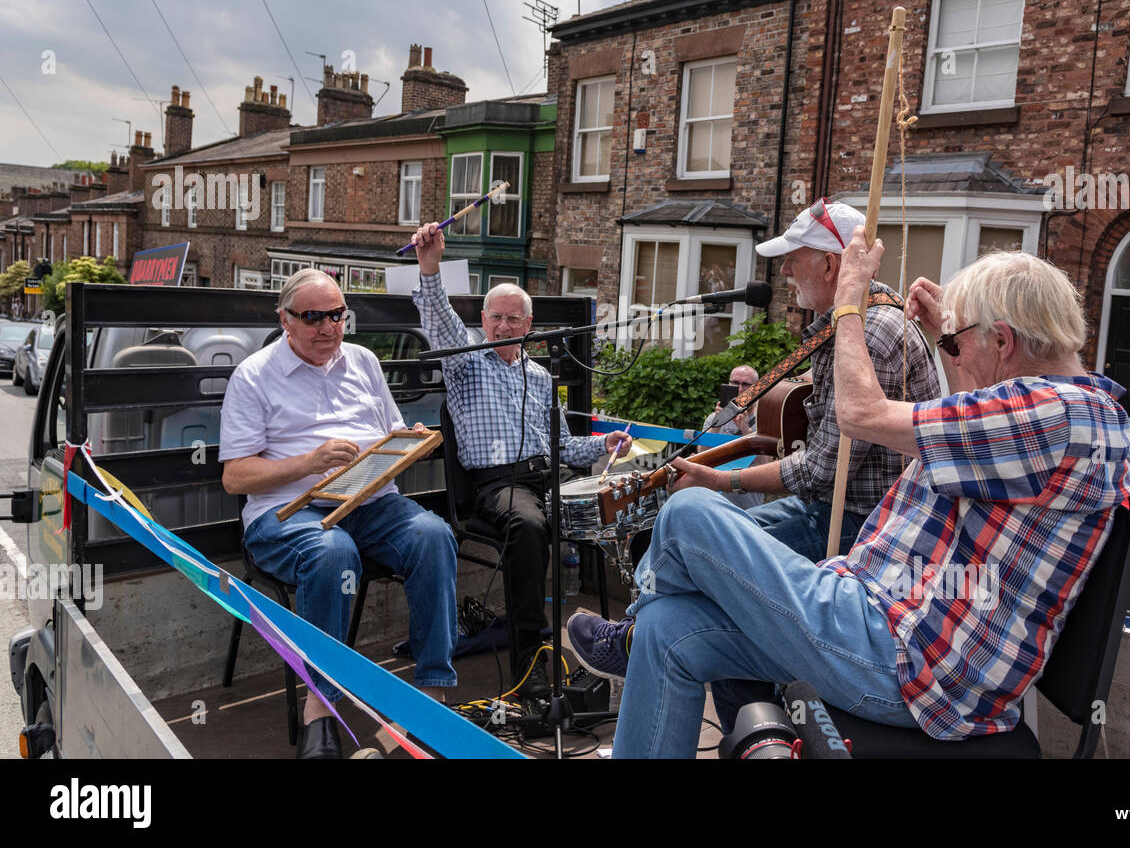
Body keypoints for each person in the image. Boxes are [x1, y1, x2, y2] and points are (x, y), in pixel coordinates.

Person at [568, 239, 1130, 758]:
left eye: (959, 343)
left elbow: (860, 415)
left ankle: (631, 629)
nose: (952, 355)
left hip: (909, 666)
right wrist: (951, 338)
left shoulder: (1055, 417)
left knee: (688, 515)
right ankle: (644, 629)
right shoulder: (1058, 419)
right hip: (883, 628)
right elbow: (977, 403)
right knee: (673, 631)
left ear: (1005, 341)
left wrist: (848, 307)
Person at [220, 268, 459, 759]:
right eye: (314, 317)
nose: (329, 327)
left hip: (370, 501)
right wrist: (309, 463)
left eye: (337, 315)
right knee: (333, 552)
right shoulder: (254, 375)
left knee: (434, 535)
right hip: (288, 513)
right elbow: (235, 478)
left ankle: (432, 693)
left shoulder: (364, 361)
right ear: (285, 319)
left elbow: (392, 431)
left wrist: (407, 442)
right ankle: (320, 708)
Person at [409, 222, 629, 700]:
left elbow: (562, 446)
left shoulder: (540, 376)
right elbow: (441, 320)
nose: (503, 326)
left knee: (622, 505)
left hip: (548, 476)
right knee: (528, 528)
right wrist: (430, 267)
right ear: (483, 320)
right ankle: (531, 670)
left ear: (528, 327)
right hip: (497, 485)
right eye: (495, 317)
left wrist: (604, 445)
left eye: (512, 319)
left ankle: (619, 646)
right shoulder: (466, 360)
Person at [670, 200, 941, 562]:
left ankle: (636, 621)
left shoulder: (870, 333)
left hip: (872, 526)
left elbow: (819, 472)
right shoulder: (849, 324)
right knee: (695, 535)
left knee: (701, 552)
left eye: (792, 259)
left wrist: (721, 480)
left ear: (830, 265)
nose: (783, 270)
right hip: (838, 509)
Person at [700, 364, 765, 510]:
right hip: (714, 502)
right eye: (735, 383)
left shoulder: (764, 421)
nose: (740, 389)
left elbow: (765, 463)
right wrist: (717, 423)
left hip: (747, 506)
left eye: (746, 384)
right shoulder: (713, 418)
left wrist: (745, 430)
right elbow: (701, 454)